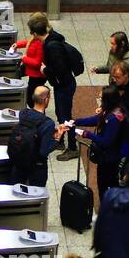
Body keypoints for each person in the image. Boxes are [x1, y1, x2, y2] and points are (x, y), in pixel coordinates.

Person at [36, 15, 81, 162]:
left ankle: (73, 148)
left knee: (66, 116)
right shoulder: (52, 39)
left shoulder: (52, 46)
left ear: (36, 33)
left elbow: (59, 69)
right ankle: (61, 141)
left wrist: (45, 70)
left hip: (65, 85)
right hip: (62, 84)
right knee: (60, 113)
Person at [72, 86, 126, 204]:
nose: (100, 100)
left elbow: (106, 141)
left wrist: (87, 134)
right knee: (109, 182)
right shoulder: (110, 111)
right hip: (108, 156)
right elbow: (95, 119)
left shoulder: (113, 119)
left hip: (110, 157)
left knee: (105, 183)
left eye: (102, 98)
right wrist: (76, 122)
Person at [8, 86, 66, 187]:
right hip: (37, 167)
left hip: (19, 161)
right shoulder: (48, 123)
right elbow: (44, 151)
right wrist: (57, 138)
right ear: (46, 100)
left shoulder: (23, 113)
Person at [12, 12, 48, 107]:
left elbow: (37, 63)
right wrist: (18, 44)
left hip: (37, 75)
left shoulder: (41, 43)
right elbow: (30, 42)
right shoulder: (38, 36)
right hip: (31, 70)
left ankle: (37, 114)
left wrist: (24, 58)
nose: (31, 33)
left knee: (33, 99)